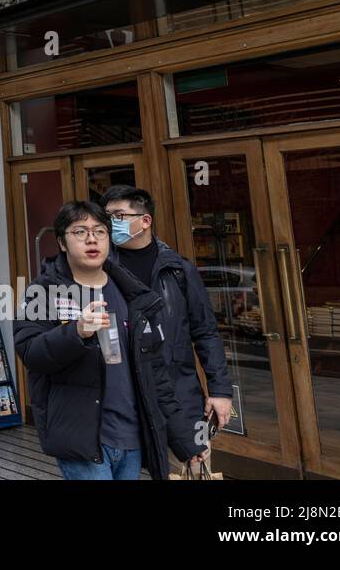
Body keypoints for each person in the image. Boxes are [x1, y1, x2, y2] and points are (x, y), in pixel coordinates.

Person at [14, 200, 202, 480]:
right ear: (62, 243)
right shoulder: (42, 292)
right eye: (79, 232)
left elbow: (156, 376)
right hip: (82, 437)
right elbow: (31, 351)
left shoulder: (132, 293)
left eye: (100, 231)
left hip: (132, 438)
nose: (92, 239)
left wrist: (185, 441)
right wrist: (75, 332)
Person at [102, 185, 233, 473]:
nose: (112, 223)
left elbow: (206, 331)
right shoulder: (102, 268)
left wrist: (220, 390)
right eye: (107, 216)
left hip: (179, 395)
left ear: (145, 220)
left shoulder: (178, 269)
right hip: (124, 399)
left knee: (193, 470)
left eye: (119, 215)